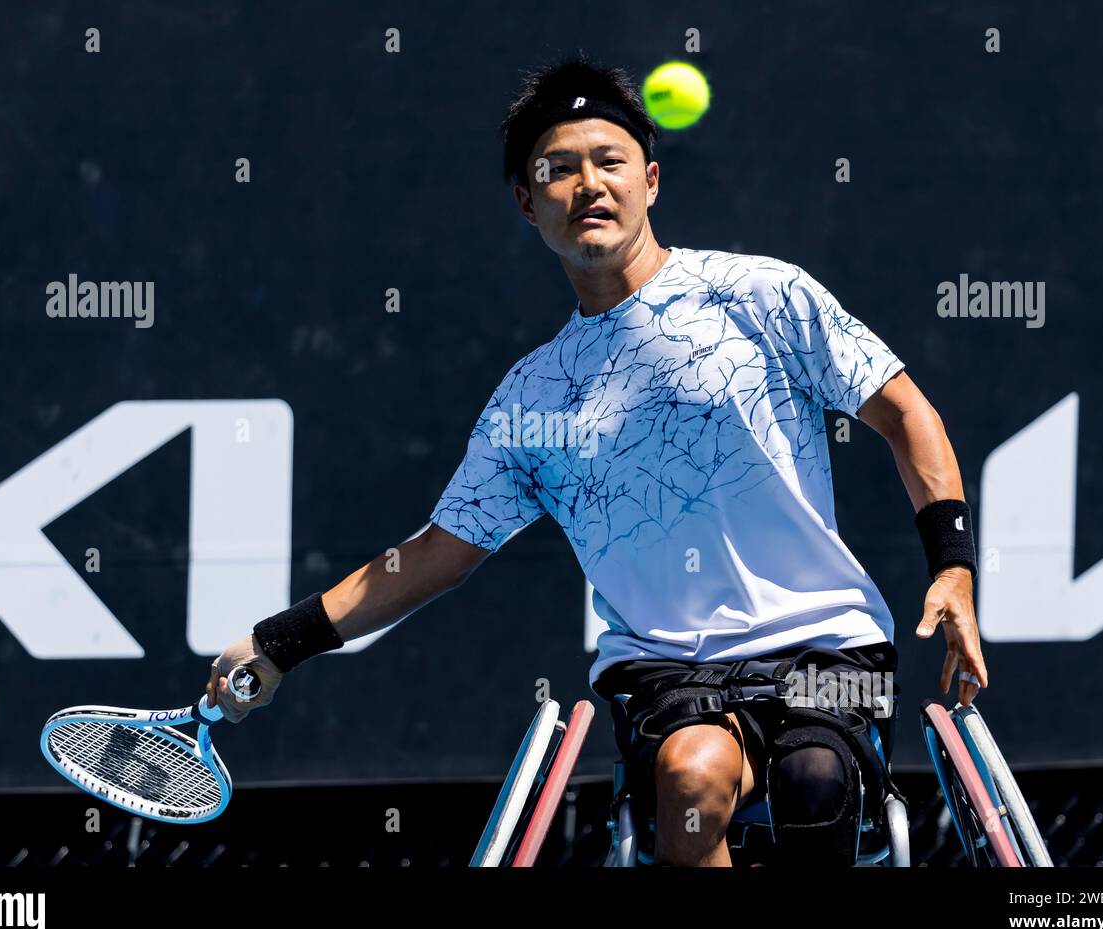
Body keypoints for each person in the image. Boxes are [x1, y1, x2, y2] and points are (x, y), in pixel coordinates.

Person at [206, 56, 987, 867]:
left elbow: (907, 416)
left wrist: (954, 567)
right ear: (527, 201)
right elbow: (437, 554)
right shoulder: (532, 398)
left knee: (815, 781)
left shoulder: (763, 295)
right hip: (664, 671)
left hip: (836, 654)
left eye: (610, 163)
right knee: (690, 779)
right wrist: (279, 640)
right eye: (560, 170)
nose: (589, 185)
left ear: (649, 180)